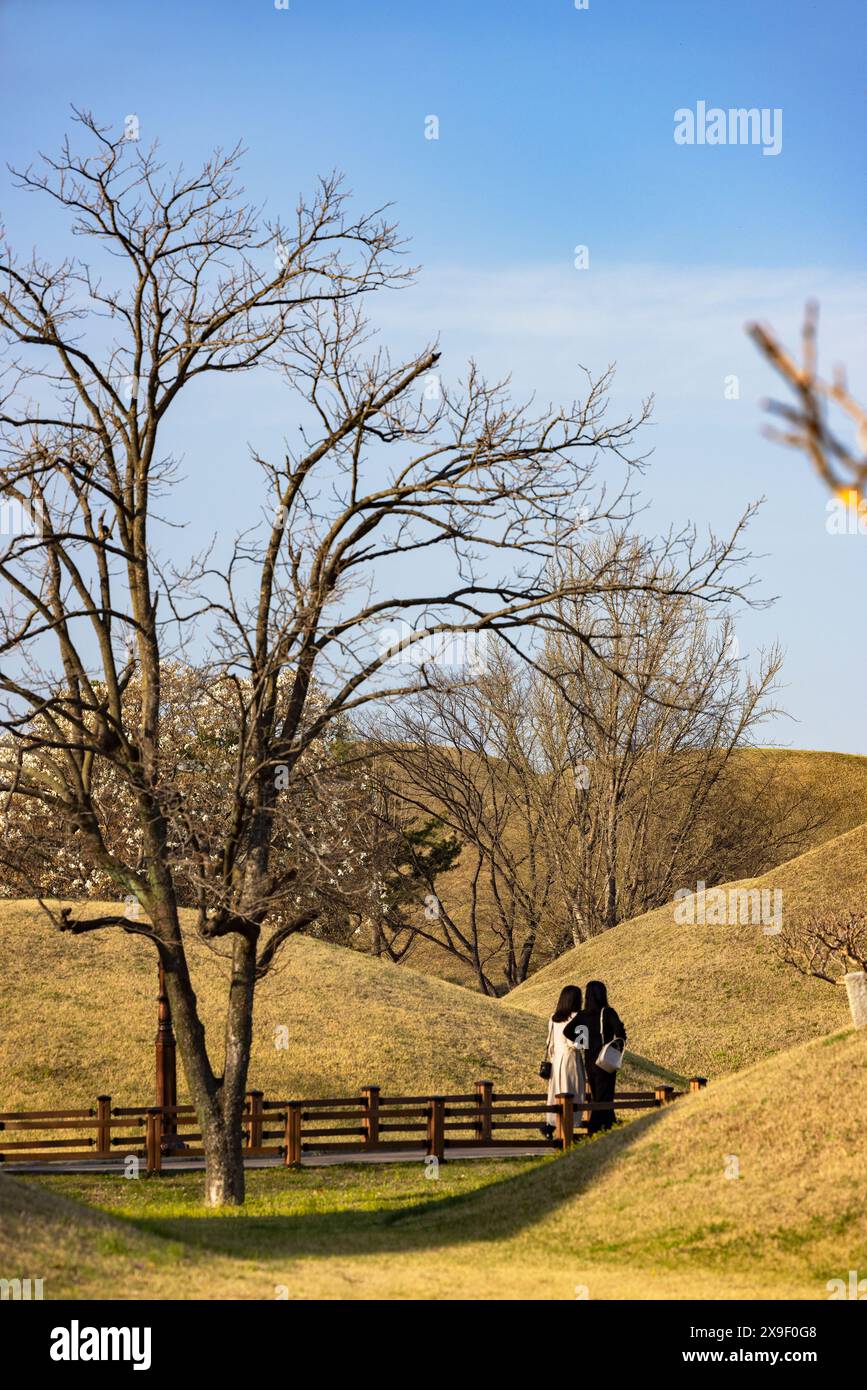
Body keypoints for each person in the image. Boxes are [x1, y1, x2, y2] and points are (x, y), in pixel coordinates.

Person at [565, 979, 627, 1133]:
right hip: (605, 1060)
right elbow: (620, 1032)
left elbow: (567, 1031)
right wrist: (615, 1044)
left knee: (598, 1096)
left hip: (590, 1061)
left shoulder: (583, 1014)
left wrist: (583, 1041)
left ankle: (609, 1127)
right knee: (604, 1097)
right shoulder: (607, 1012)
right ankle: (594, 1130)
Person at [541, 984, 585, 1140]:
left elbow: (550, 1043)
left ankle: (551, 1124)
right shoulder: (577, 1017)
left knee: (556, 1093)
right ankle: (568, 1127)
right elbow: (579, 1044)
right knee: (571, 1091)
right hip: (571, 1059)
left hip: (556, 1059)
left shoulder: (553, 1017)